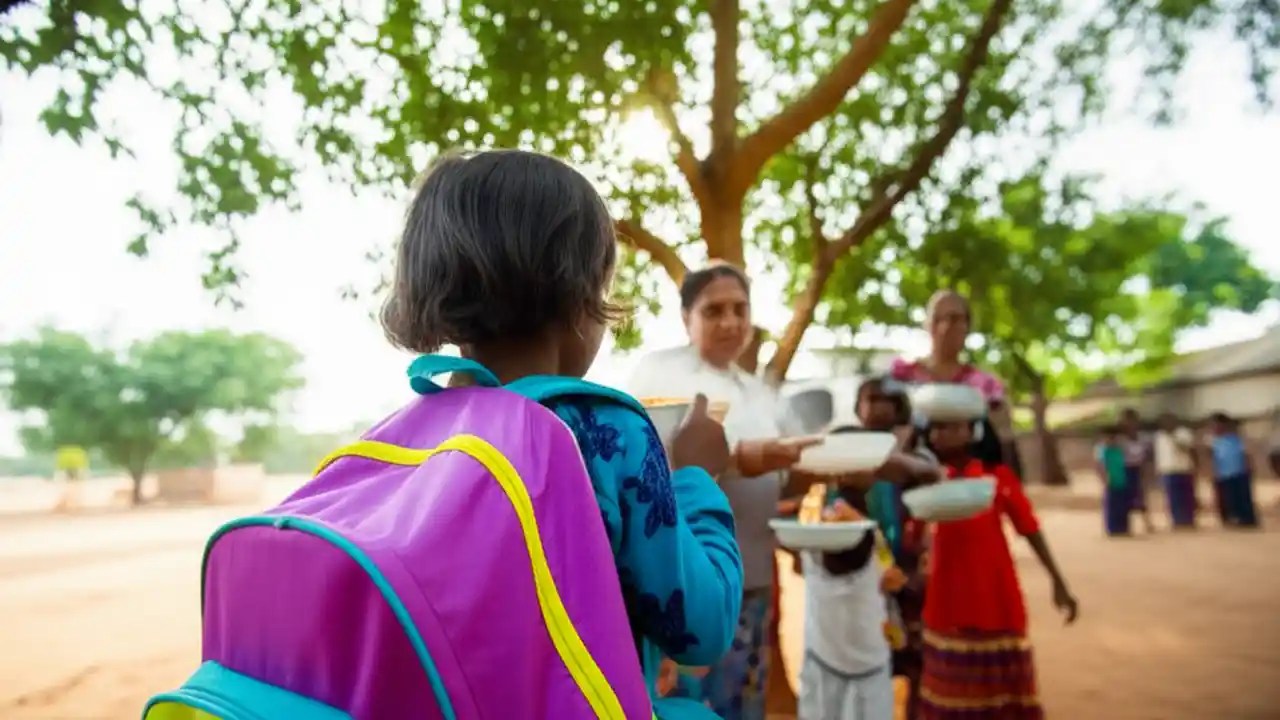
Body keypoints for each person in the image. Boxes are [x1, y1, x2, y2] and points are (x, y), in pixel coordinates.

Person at [381, 149, 744, 717]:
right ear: (581, 296)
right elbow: (703, 625)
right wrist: (696, 475)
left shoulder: (406, 434)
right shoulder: (602, 428)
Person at [629, 262, 821, 719]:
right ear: (686, 319)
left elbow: (780, 477)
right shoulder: (662, 380)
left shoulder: (753, 388)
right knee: (699, 706)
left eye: (740, 309)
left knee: (744, 702)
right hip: (692, 580)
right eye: (714, 311)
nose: (731, 322)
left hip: (754, 576)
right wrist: (745, 457)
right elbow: (650, 464)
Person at [917, 416, 1078, 720]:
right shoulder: (929, 480)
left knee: (1003, 699)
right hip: (946, 598)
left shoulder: (997, 477)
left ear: (973, 430)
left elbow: (1029, 529)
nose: (938, 434)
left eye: (949, 425)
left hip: (995, 595)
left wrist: (1058, 582)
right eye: (934, 428)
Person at [797, 496, 908, 720]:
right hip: (871, 671)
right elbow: (893, 572)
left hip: (822, 665)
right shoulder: (876, 567)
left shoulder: (812, 562)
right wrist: (867, 526)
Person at [890, 290, 1013, 469]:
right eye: (938, 319)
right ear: (926, 324)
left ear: (968, 327)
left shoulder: (986, 386)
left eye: (955, 319)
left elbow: (1003, 443)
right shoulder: (901, 377)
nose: (945, 327)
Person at [1209, 412, 1259, 528]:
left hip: (1239, 472)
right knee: (1228, 498)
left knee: (1242, 497)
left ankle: (1247, 519)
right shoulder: (1215, 441)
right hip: (1224, 474)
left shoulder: (1236, 439)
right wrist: (1214, 472)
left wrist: (1249, 467)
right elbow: (1213, 458)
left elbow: (1246, 454)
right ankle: (1233, 518)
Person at [1154, 413, 1198, 529]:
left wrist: (1173, 438)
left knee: (1187, 497)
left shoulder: (1183, 433)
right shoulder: (1159, 436)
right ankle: (1177, 520)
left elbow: (1187, 449)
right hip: (1168, 470)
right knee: (1172, 498)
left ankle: (1189, 519)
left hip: (1183, 469)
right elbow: (1160, 454)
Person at [1118, 408, 1157, 534]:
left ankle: (1147, 523)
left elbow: (1148, 455)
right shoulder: (1119, 440)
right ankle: (1125, 524)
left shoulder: (1143, 438)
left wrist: (1149, 469)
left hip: (1138, 469)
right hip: (1124, 469)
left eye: (1132, 421)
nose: (1129, 424)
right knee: (1124, 497)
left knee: (1141, 496)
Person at [1096, 425, 1131, 537]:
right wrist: (1104, 479)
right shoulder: (1102, 450)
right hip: (1110, 480)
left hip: (1121, 479)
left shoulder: (1119, 449)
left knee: (1123, 505)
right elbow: (1100, 466)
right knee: (1111, 506)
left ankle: (1123, 527)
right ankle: (1112, 528)